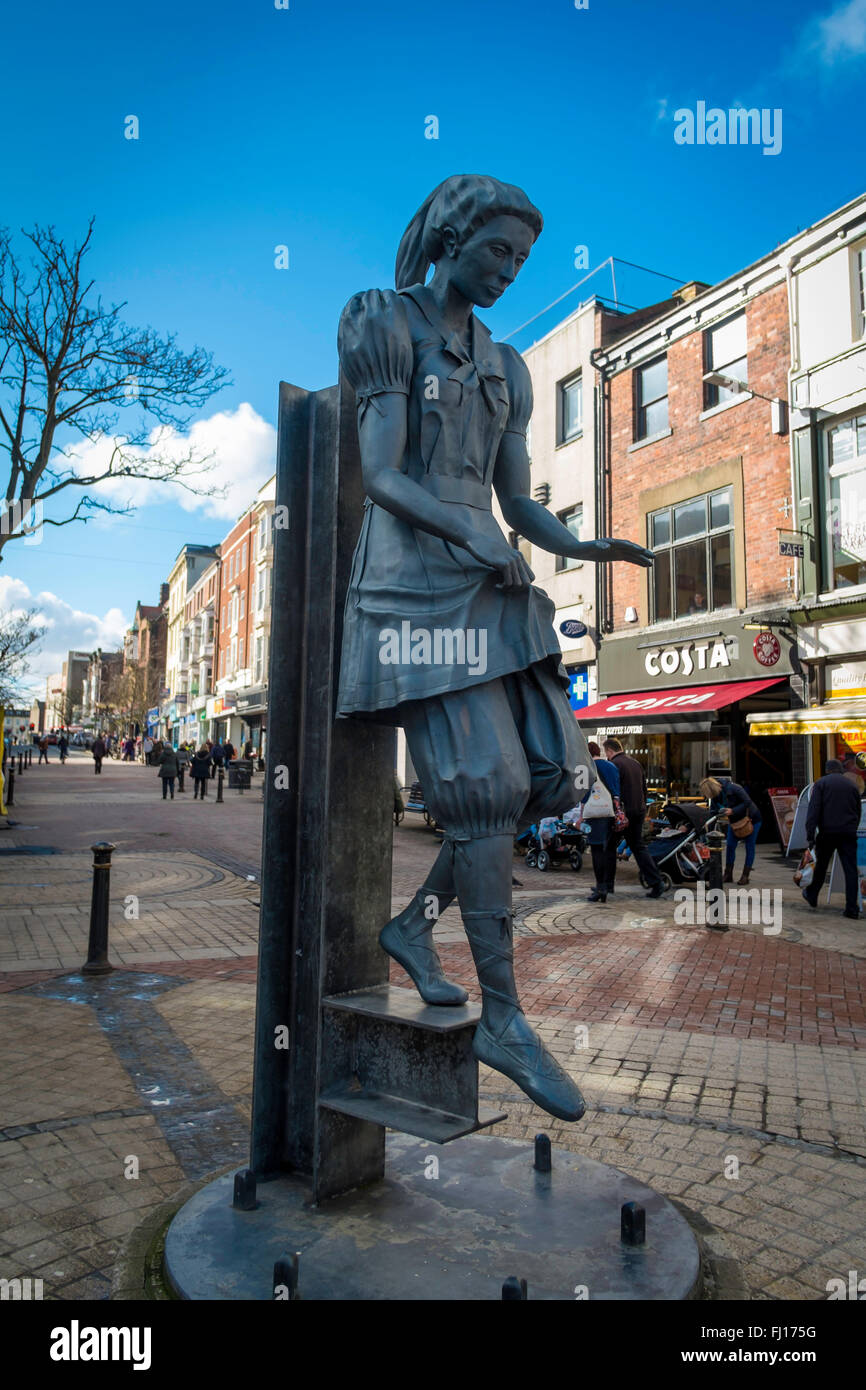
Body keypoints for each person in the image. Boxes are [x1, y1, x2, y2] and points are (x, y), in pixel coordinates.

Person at [335, 174, 654, 1122]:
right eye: (498, 251)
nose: (511, 270)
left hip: (492, 582)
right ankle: (505, 1018)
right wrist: (466, 532)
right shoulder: (385, 323)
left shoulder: (508, 365)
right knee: (483, 790)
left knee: (554, 778)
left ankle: (412, 926)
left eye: (522, 257)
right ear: (449, 237)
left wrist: (581, 544)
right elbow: (382, 474)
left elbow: (517, 503)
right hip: (414, 584)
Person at [603, 738, 665, 896]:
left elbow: (613, 790)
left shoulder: (614, 765)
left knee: (609, 846)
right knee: (638, 847)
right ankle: (656, 882)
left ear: (609, 751)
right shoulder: (635, 763)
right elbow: (644, 789)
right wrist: (642, 808)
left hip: (621, 814)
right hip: (638, 811)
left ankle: (607, 885)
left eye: (606, 753)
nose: (607, 756)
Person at [802, 759, 862, 920]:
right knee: (850, 870)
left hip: (827, 832)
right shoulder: (852, 785)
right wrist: (852, 828)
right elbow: (858, 810)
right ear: (840, 770)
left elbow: (813, 811)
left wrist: (810, 835)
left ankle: (812, 895)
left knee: (821, 866)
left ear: (827, 770)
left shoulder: (821, 784)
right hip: (848, 832)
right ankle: (852, 908)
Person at [700, 776, 761, 885]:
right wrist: (708, 830)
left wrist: (732, 811)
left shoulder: (734, 788)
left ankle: (745, 876)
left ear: (714, 789)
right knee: (731, 846)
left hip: (751, 819)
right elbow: (713, 813)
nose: (712, 797)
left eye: (711, 794)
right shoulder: (715, 796)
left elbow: (747, 802)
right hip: (735, 822)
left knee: (749, 846)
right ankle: (728, 874)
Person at [582, 741, 621, 903]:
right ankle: (607, 884)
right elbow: (617, 791)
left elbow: (583, 794)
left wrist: (580, 815)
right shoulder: (612, 766)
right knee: (609, 849)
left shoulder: (585, 768)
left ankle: (600, 887)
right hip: (610, 812)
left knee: (597, 850)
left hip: (593, 814)